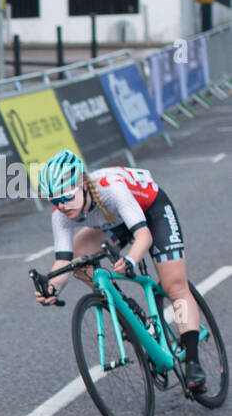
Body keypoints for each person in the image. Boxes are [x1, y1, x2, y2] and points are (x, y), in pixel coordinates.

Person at [34, 149, 207, 391]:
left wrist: (130, 261)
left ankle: (193, 362)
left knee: (174, 286)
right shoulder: (61, 214)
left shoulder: (111, 189)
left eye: (66, 197)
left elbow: (143, 236)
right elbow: (63, 262)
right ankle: (126, 311)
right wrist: (52, 288)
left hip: (151, 211)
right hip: (114, 222)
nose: (62, 206)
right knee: (79, 260)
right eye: (54, 201)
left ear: (83, 185)